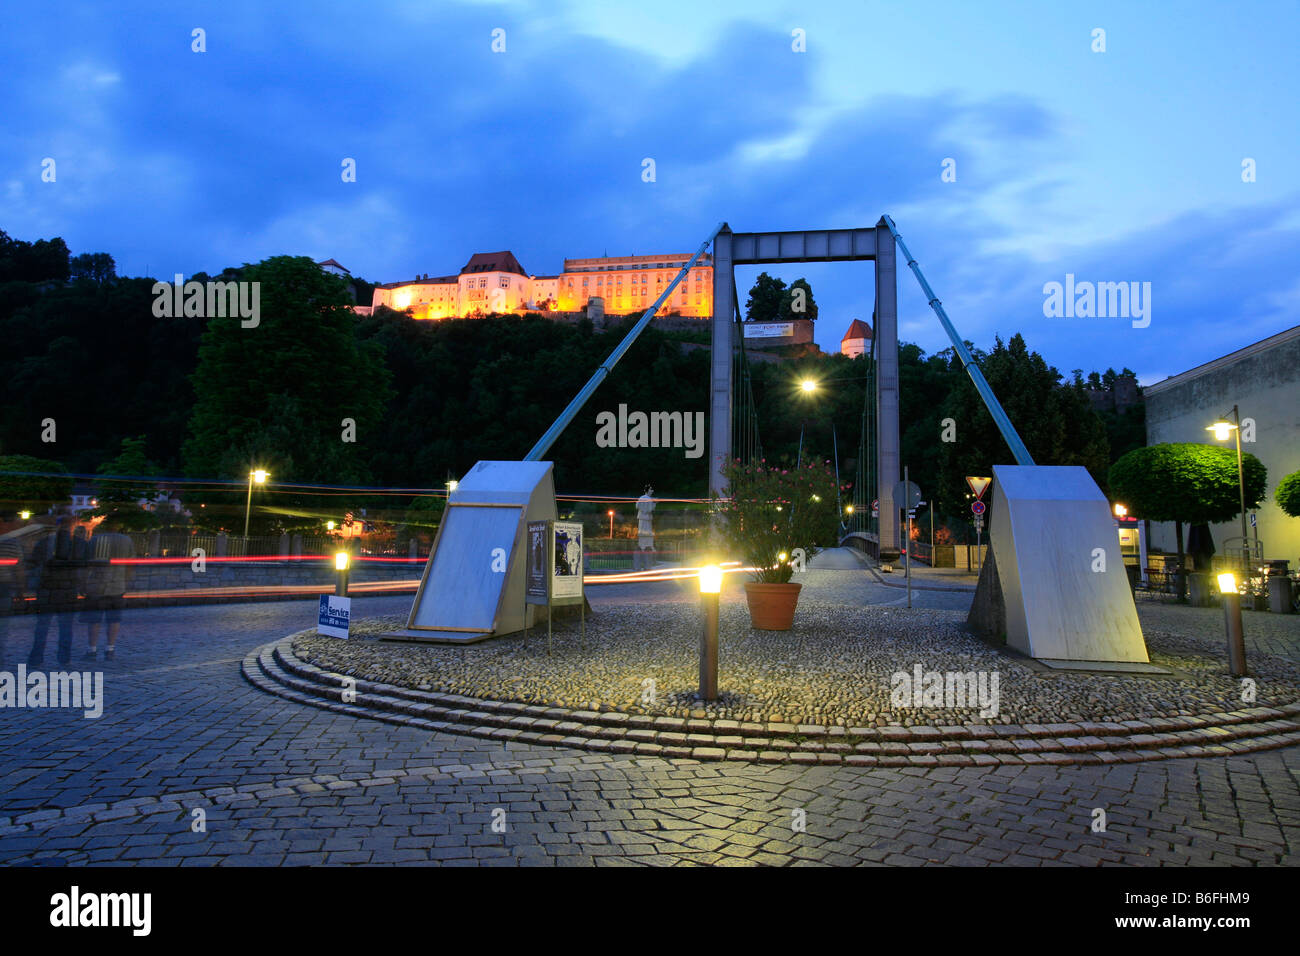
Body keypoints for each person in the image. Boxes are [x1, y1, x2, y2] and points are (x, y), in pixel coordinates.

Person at [81, 530, 134, 661]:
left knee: (94, 619)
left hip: (97, 586)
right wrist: (126, 581)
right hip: (117, 584)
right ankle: (110, 648)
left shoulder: (95, 540)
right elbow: (131, 564)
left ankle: (92, 649)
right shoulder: (126, 540)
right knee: (114, 619)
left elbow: (86, 564)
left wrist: (83, 584)